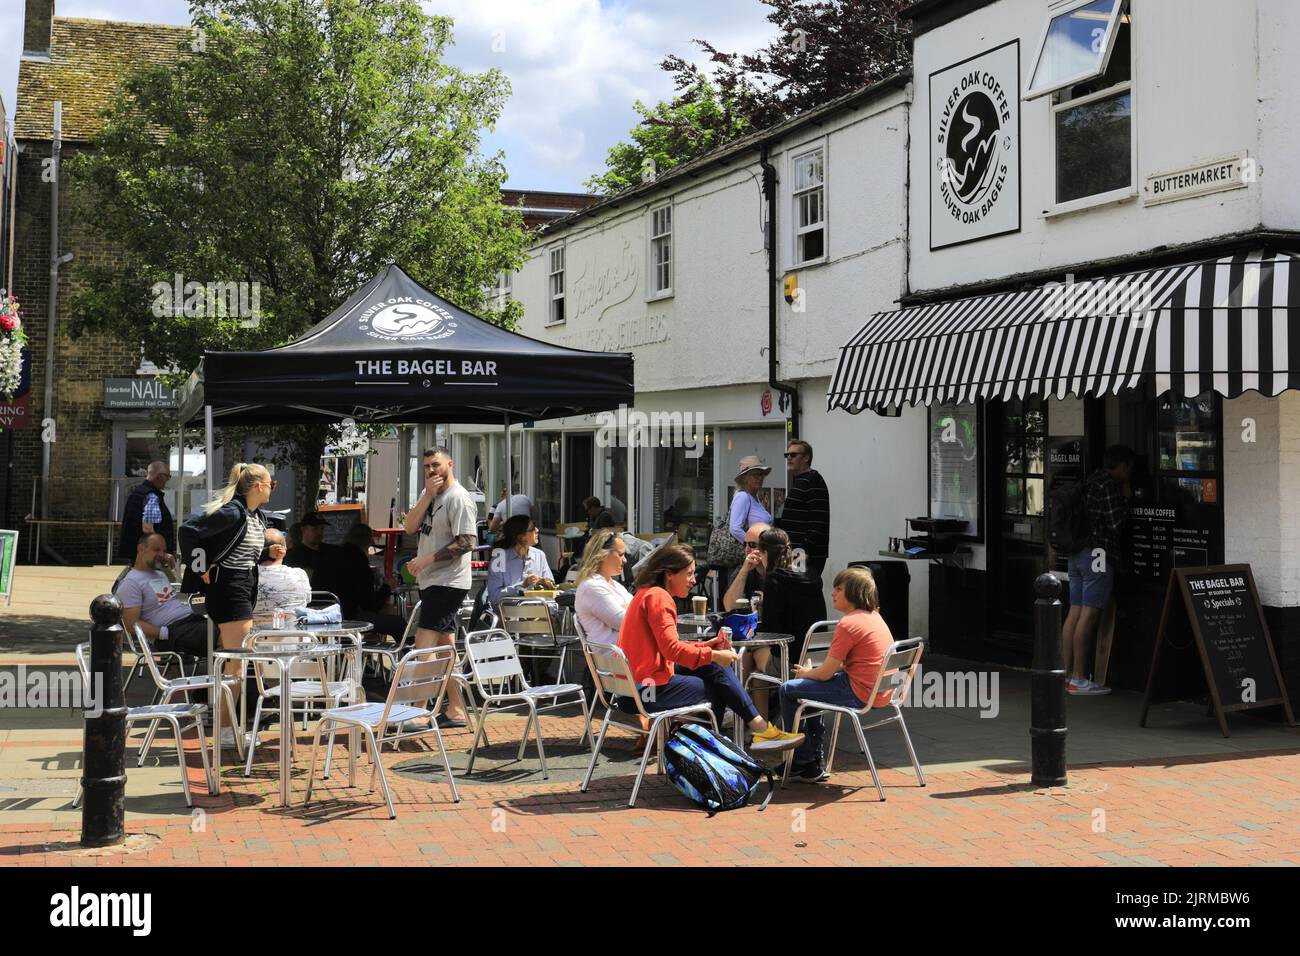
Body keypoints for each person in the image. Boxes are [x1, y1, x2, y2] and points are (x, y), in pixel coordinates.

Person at [617, 543, 803, 750]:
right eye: (689, 574)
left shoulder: (646, 593)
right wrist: (713, 655)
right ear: (669, 574)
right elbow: (671, 650)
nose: (694, 580)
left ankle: (740, 735)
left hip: (632, 688)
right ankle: (705, 751)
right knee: (717, 684)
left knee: (714, 669)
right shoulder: (660, 598)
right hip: (646, 691)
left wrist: (707, 646)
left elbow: (666, 646)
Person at [178, 461, 273, 745]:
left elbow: (238, 550)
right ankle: (226, 732)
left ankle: (228, 729)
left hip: (240, 589)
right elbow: (188, 530)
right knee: (236, 663)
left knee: (235, 662)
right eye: (272, 484)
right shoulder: (233, 512)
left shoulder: (257, 516)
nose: (272, 489)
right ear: (258, 486)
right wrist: (200, 566)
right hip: (229, 590)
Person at [779, 566, 895, 783]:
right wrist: (813, 675)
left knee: (788, 690)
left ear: (853, 593)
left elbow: (825, 674)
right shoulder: (874, 617)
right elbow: (851, 664)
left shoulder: (848, 623)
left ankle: (802, 760)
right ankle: (813, 760)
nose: (833, 593)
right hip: (882, 692)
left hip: (859, 693)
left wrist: (807, 672)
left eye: (839, 588)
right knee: (810, 691)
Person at [403, 447, 477, 726]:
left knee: (424, 643)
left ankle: (419, 711)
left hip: (448, 581)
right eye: (426, 467)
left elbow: (467, 542)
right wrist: (426, 495)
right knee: (446, 647)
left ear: (450, 463)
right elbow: (410, 527)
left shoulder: (459, 498)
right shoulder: (434, 497)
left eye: (436, 465)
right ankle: (456, 708)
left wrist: (427, 559)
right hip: (433, 580)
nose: (431, 470)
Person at [721, 525, 826, 718]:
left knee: (749, 654)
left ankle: (747, 717)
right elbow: (728, 605)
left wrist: (767, 603)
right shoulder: (809, 573)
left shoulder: (776, 578)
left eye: (753, 545)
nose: (748, 551)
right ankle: (757, 722)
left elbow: (772, 632)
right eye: (744, 545)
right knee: (754, 662)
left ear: (764, 551)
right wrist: (745, 569)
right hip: (818, 660)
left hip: (792, 662)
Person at [1063, 444, 1134, 697]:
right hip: (1098, 554)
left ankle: (1066, 674)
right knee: (1090, 614)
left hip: (1076, 551)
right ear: (1123, 466)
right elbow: (1116, 524)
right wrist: (1127, 496)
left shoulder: (1090, 479)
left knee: (1075, 610)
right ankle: (1080, 678)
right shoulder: (1108, 486)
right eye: (1130, 467)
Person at [115, 533, 208, 658]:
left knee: (229, 629)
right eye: (156, 550)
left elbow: (167, 601)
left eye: (163, 551)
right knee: (223, 637)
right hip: (173, 631)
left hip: (190, 621)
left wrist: (171, 568)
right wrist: (164, 633)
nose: (161, 554)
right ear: (141, 549)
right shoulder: (131, 583)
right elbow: (131, 625)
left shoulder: (159, 575)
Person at [315, 523, 407, 642]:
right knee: (398, 623)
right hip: (347, 618)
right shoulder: (359, 562)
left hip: (320, 615)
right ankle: (411, 657)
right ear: (369, 542)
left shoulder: (329, 555)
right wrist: (387, 587)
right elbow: (370, 605)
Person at [775, 439, 830, 581]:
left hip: (804, 553)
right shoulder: (800, 480)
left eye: (793, 455)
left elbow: (818, 520)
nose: (789, 458)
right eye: (787, 455)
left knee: (803, 591)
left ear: (806, 458)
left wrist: (804, 550)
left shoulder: (813, 480)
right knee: (794, 591)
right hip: (795, 551)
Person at [574, 530, 631, 645]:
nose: (625, 560)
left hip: (627, 651)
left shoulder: (614, 584)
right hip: (614, 657)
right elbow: (624, 622)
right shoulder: (591, 587)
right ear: (603, 554)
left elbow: (639, 610)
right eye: (620, 555)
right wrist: (632, 608)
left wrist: (627, 608)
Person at [486, 514, 555, 605]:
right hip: (508, 615)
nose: (537, 530)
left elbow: (551, 588)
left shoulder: (539, 555)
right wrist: (521, 586)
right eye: (532, 528)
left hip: (539, 612)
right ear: (520, 536)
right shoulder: (499, 558)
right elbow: (494, 597)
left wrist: (543, 582)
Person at [251, 527, 312, 626]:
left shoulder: (247, 577)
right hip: (297, 638)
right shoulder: (300, 574)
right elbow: (307, 600)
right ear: (284, 550)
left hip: (255, 639)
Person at [117, 460, 175, 563]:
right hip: (149, 557)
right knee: (156, 579)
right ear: (160, 476)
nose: (167, 480)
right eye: (168, 476)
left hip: (139, 553)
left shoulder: (139, 492)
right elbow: (148, 529)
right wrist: (162, 553)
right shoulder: (151, 496)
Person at [729, 456, 773, 545]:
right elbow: (735, 528)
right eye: (755, 475)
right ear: (745, 478)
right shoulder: (743, 496)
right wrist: (754, 545)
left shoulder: (755, 497)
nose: (760, 478)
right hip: (748, 554)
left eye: (761, 474)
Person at [283, 511, 338, 582]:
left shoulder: (333, 551)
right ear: (303, 530)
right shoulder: (293, 555)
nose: (320, 532)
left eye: (322, 528)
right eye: (315, 528)